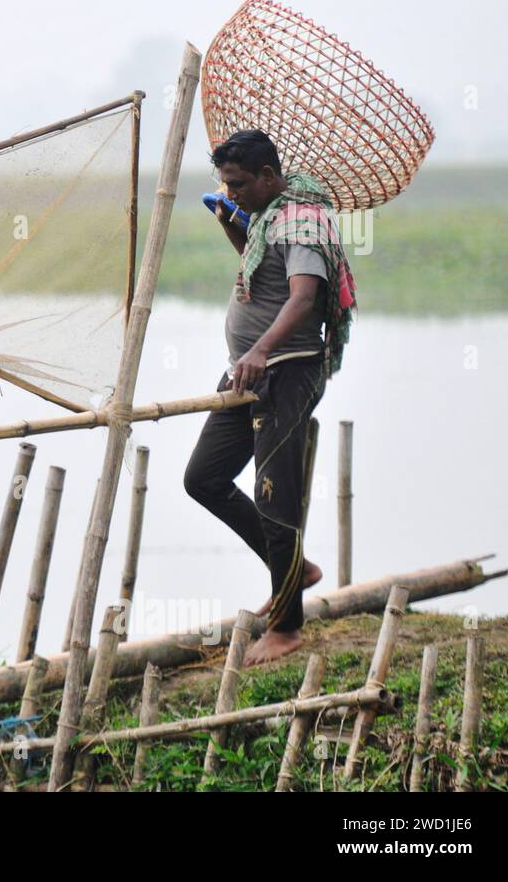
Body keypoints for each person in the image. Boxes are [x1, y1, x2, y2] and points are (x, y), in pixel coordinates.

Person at [183, 130, 357, 667]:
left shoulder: (303, 219)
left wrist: (257, 350)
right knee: (203, 478)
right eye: (224, 185)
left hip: (288, 373)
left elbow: (303, 298)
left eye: (237, 185)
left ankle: (286, 627)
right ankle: (295, 571)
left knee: (274, 497)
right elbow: (264, 271)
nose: (231, 193)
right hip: (249, 374)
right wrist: (232, 223)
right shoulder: (267, 213)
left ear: (266, 176)